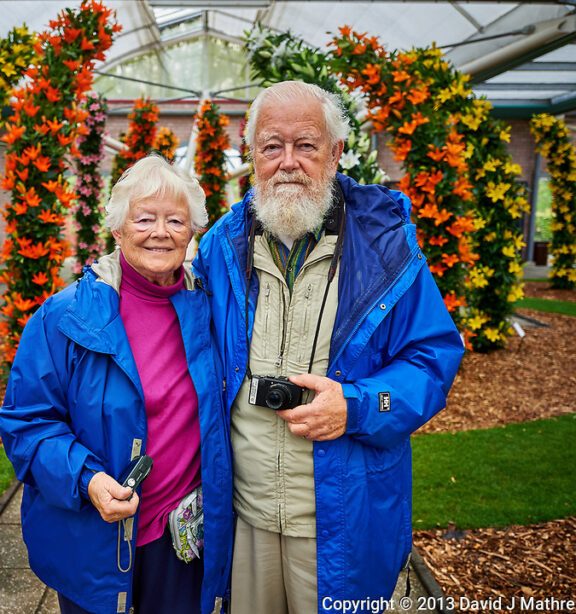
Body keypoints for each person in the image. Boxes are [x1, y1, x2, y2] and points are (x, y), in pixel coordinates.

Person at [193, 81, 465, 614]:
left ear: (336, 153)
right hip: (245, 514)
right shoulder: (219, 248)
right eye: (271, 146)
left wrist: (359, 405)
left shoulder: (386, 247)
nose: (287, 162)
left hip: (340, 518)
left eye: (306, 145)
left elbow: (431, 363)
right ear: (251, 156)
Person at [0, 155, 232, 614]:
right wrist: (86, 480)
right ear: (118, 230)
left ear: (192, 234)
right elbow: (27, 424)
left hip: (183, 537)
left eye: (175, 220)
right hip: (94, 536)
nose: (160, 232)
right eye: (144, 218)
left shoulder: (212, 309)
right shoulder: (64, 318)